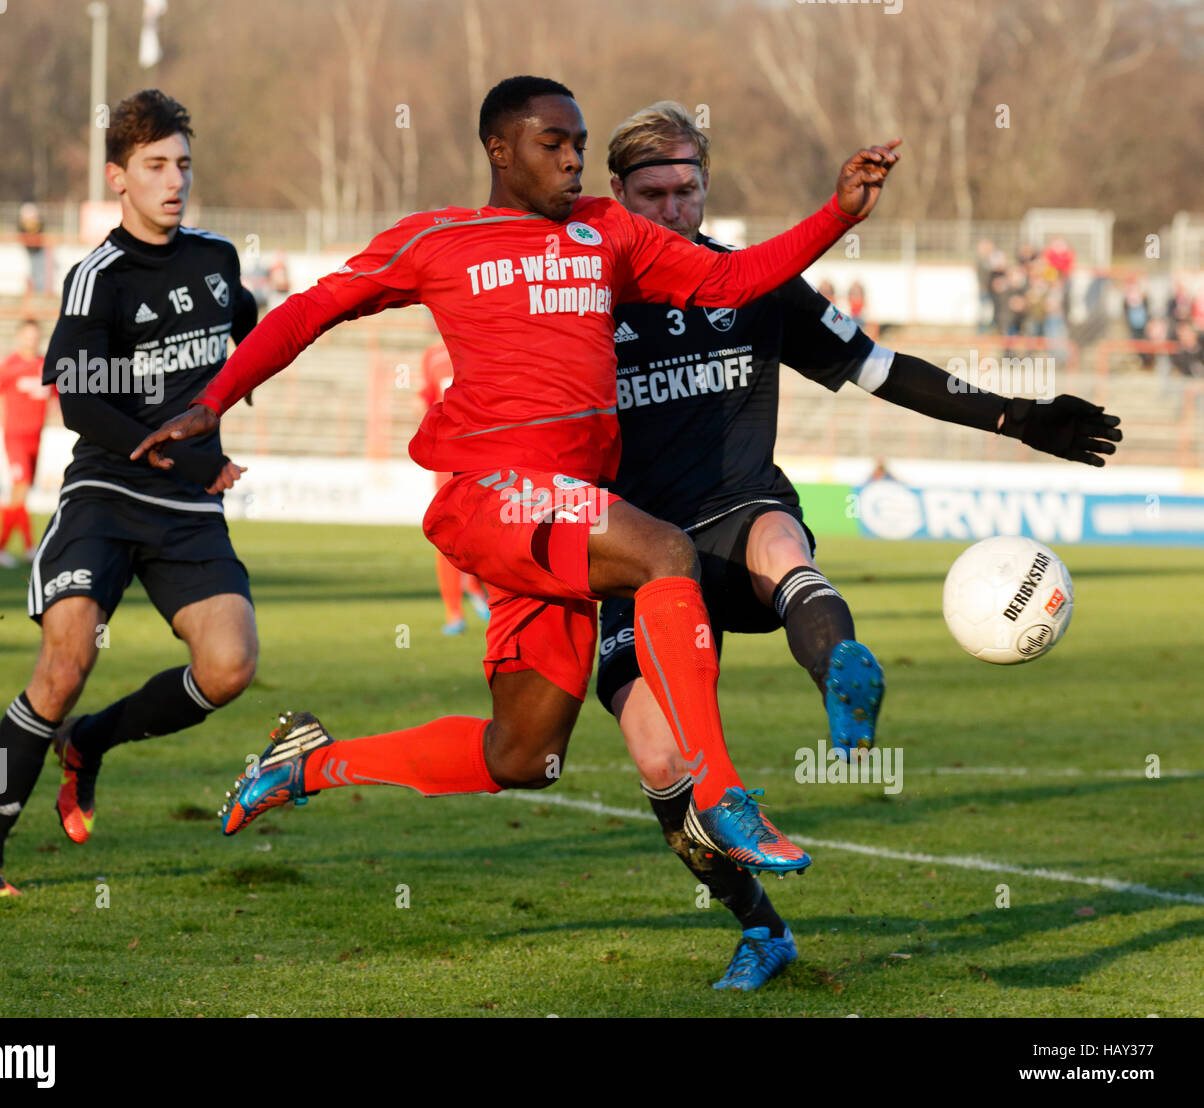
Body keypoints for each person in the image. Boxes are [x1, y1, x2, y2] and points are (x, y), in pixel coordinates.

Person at [132, 76, 901, 880]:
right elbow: (309, 310)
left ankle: (304, 765)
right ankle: (721, 792)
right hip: (494, 491)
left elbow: (735, 282)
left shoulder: (608, 232)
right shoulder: (436, 241)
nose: (573, 160)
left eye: (578, 144)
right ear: (500, 151)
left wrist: (838, 214)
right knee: (665, 554)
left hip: (570, 513)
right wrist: (212, 400)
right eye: (553, 144)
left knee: (524, 754)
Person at [595, 102, 1123, 990]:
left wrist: (1018, 416)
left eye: (689, 189)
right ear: (617, 193)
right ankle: (760, 929)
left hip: (735, 508)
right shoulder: (582, 302)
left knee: (779, 545)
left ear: (707, 187)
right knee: (659, 760)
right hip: (633, 546)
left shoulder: (753, 282)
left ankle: (845, 673)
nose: (674, 209)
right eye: (654, 193)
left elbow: (882, 371)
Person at [0, 89, 260, 896]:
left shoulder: (218, 259)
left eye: (183, 164)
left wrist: (239, 387)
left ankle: (88, 743)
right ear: (119, 177)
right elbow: (80, 399)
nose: (174, 180)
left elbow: (251, 328)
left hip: (190, 511)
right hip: (108, 493)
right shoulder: (98, 276)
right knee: (66, 658)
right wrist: (160, 449)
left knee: (230, 668)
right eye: (156, 165)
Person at [419, 337, 490, 634]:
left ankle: (475, 586)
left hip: (485, 451)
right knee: (447, 532)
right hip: (449, 456)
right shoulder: (433, 355)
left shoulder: (484, 345)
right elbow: (423, 402)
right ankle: (454, 612)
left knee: (488, 528)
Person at [0, 319, 53, 567]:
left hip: (36, 438)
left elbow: (59, 395)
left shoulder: (46, 366)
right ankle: (2, 550)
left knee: (20, 495)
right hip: (14, 437)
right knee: (19, 488)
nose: (31, 340)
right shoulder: (7, 367)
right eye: (26, 336)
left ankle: (27, 547)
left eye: (35, 336)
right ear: (19, 337)